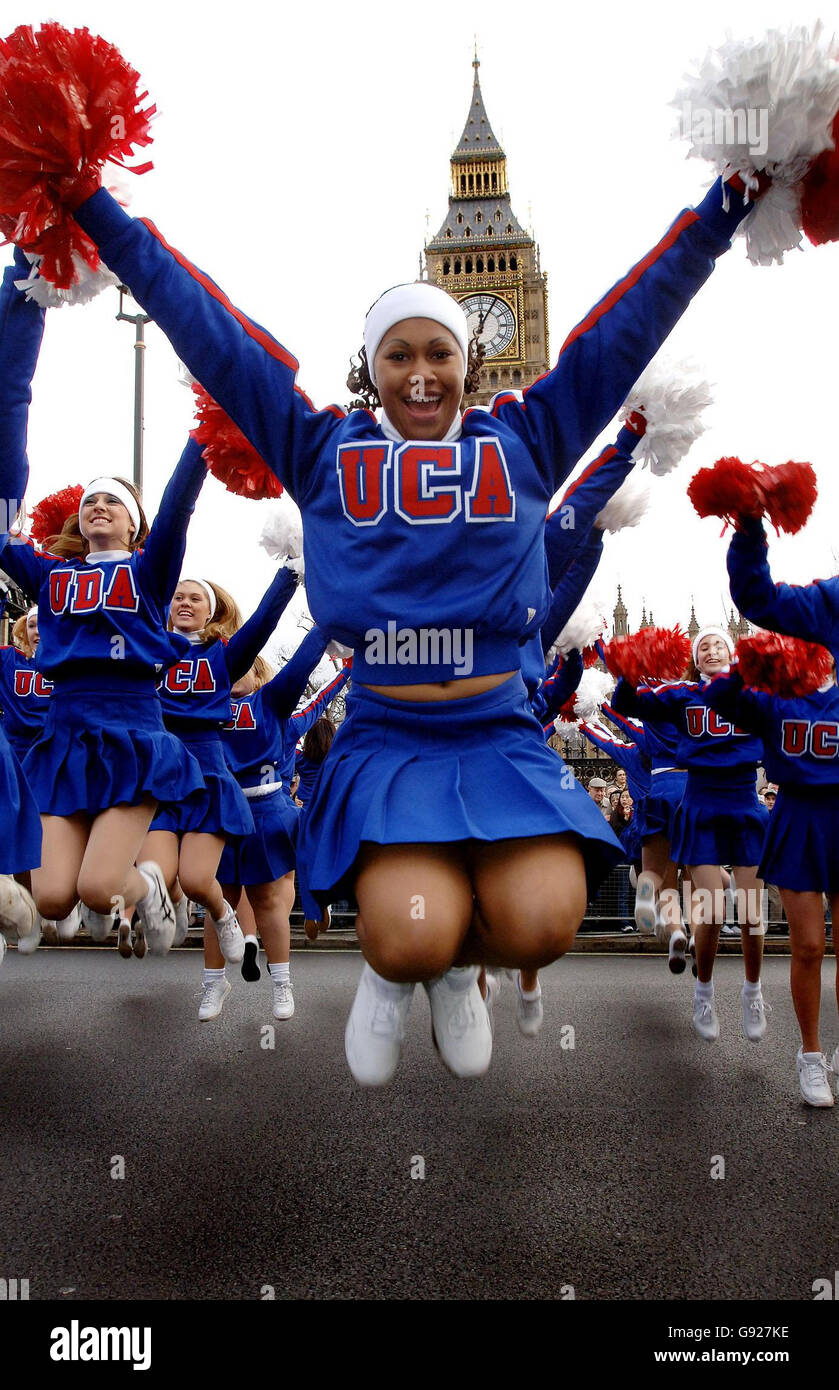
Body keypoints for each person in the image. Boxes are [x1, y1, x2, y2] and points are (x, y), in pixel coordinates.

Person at [64, 159, 764, 1084]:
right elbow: (207, 328)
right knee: (403, 937)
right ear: (374, 366)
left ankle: (459, 972)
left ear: (467, 363)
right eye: (400, 355)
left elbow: (623, 330)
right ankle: (402, 975)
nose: (422, 374)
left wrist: (723, 207)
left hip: (499, 732)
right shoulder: (321, 449)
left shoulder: (522, 438)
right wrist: (90, 204)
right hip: (390, 734)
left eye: (440, 353)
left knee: (543, 920)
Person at [0, 247, 204, 953]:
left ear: (133, 521)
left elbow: (177, 508)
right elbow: (3, 521)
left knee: (93, 889)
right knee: (52, 896)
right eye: (87, 503)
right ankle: (123, 889)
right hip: (64, 734)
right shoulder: (53, 578)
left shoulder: (149, 572)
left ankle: (149, 892)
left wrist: (206, 429)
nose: (95, 509)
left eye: (109, 503)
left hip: (130, 730)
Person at [139, 568, 300, 1021]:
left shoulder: (222, 658)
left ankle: (278, 978)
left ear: (212, 611)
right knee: (156, 871)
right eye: (177, 597)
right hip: (161, 774)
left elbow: (264, 621)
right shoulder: (146, 649)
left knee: (223, 887)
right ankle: (211, 976)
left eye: (196, 598)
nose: (185, 603)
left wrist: (290, 572)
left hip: (218, 782)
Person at [610, 628, 769, 1041]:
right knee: (713, 910)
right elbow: (627, 703)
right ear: (695, 661)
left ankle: (753, 992)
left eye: (719, 644)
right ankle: (704, 992)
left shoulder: (753, 692)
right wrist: (632, 668)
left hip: (745, 805)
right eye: (704, 647)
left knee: (753, 915)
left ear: (731, 653)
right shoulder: (683, 694)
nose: (712, 649)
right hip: (700, 805)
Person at [701, 656, 839, 1105]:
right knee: (809, 946)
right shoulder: (778, 698)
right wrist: (755, 661)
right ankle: (811, 1056)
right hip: (798, 818)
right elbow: (719, 695)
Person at [218, 628, 350, 1021]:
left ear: (259, 677)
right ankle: (310, 910)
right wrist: (346, 673)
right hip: (287, 810)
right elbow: (318, 702)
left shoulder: (235, 715)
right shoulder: (286, 723)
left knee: (242, 887)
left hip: (263, 806)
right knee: (280, 886)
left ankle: (247, 936)